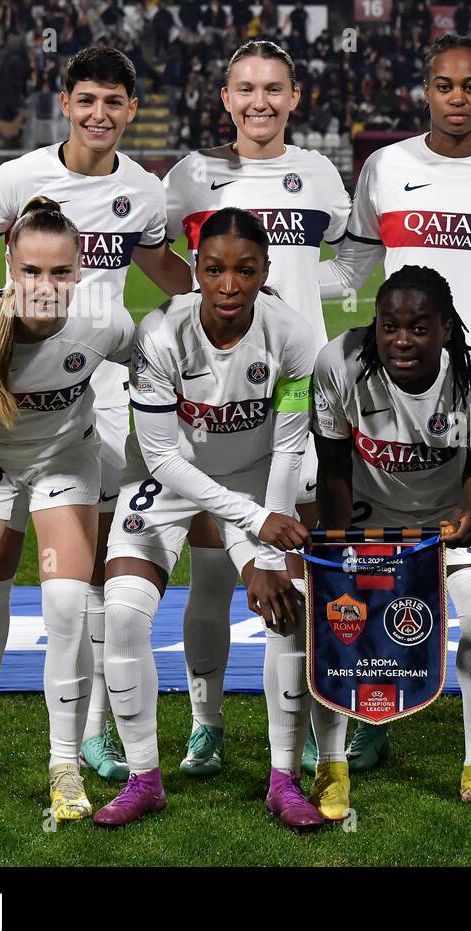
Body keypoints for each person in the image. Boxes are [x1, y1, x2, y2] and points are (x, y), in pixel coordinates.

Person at [0, 46, 193, 784]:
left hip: (102, 389)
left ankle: (90, 735)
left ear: (132, 109)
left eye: (115, 102)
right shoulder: (20, 178)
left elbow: (162, 272)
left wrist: (233, 289)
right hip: (10, 384)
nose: (100, 115)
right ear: (65, 100)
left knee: (83, 571)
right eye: (87, 99)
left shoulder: (143, 192)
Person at [317, 33, 471, 770]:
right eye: (445, 86)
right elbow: (355, 266)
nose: (458, 99)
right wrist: (274, 278)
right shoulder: (386, 168)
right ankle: (375, 712)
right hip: (393, 391)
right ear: (427, 89)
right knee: (385, 561)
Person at [92, 208, 317, 827]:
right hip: (164, 479)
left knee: (289, 607)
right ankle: (144, 779)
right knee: (124, 611)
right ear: (195, 270)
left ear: (265, 272)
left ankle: (284, 779)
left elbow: (291, 445)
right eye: (214, 269)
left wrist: (266, 554)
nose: (228, 285)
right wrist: (254, 520)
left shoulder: (294, 337)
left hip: (254, 472)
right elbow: (163, 455)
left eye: (245, 271)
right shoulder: (159, 334)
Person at [162, 38, 350, 777]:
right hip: (217, 399)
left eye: (274, 88)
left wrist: (307, 304)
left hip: (303, 391)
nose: (260, 101)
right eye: (245, 88)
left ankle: (304, 720)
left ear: (295, 97)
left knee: (302, 565)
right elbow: (159, 254)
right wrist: (204, 305)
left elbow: (355, 256)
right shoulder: (192, 176)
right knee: (212, 568)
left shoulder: (321, 174)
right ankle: (205, 725)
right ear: (226, 99)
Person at [0, 197, 134, 824]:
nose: (46, 286)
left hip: (66, 463)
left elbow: (151, 372)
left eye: (61, 273)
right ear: (8, 265)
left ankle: (63, 765)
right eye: (32, 271)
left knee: (67, 604)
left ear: (81, 271)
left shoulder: (104, 323)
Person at [310, 265, 471, 821]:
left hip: (445, 523)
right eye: (389, 326)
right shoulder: (338, 366)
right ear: (374, 327)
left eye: (418, 327)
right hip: (366, 520)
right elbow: (332, 466)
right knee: (337, 627)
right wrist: (335, 553)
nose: (402, 340)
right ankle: (331, 767)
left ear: (447, 329)